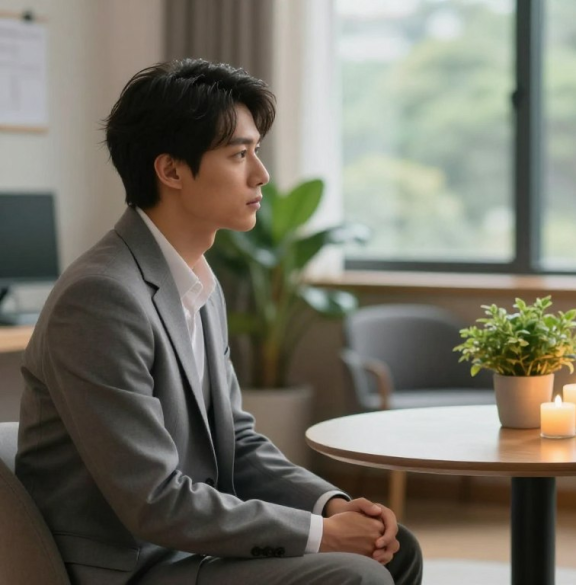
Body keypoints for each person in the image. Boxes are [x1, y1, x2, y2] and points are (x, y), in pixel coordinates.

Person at [16, 59, 422, 585]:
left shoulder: (198, 284)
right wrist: (321, 536)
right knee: (355, 575)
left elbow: (238, 443)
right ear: (171, 171)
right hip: (134, 565)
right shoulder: (100, 298)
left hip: (189, 547)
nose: (261, 174)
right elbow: (152, 500)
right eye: (239, 154)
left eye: (256, 151)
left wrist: (330, 507)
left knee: (397, 549)